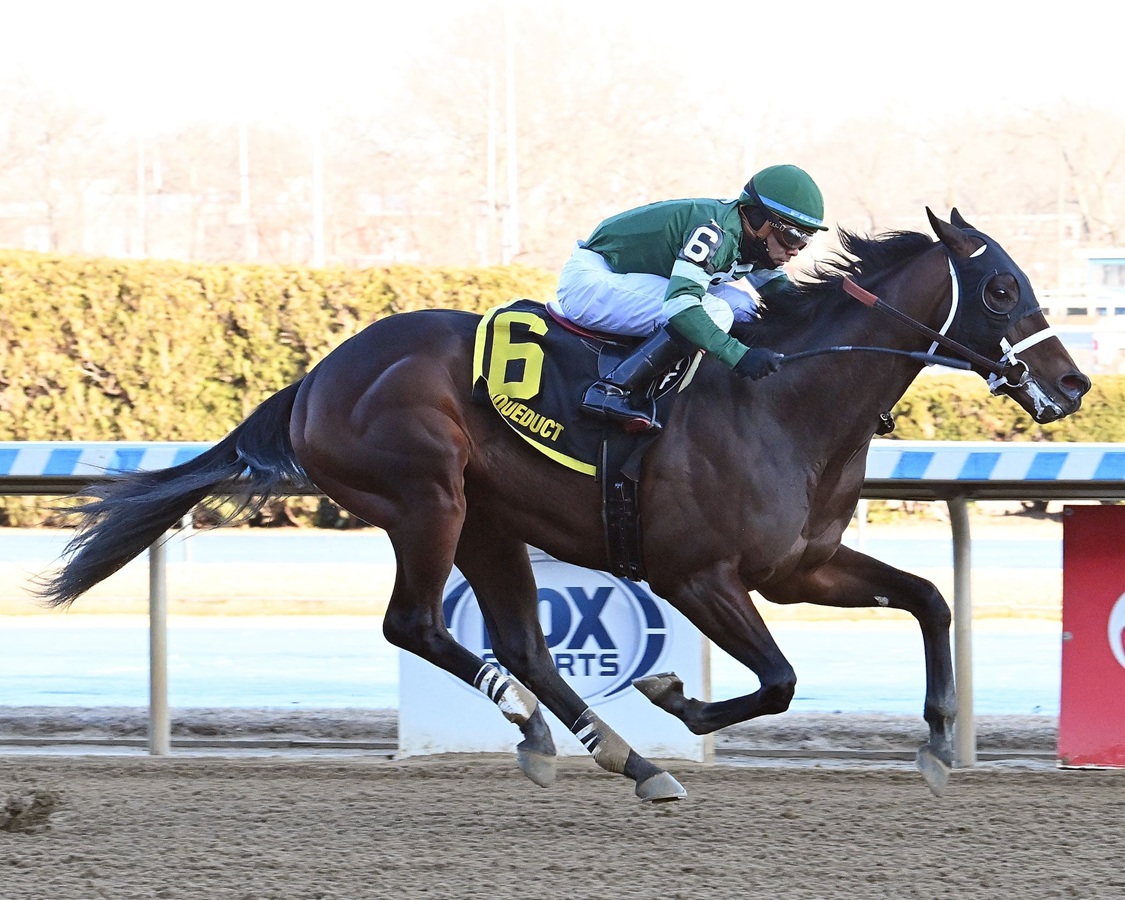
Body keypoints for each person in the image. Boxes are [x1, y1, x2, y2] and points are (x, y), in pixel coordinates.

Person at [555, 164, 827, 431]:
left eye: (805, 241)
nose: (796, 251)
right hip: (589, 282)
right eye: (792, 236)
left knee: (743, 306)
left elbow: (786, 301)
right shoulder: (714, 233)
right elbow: (681, 305)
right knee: (715, 311)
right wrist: (739, 355)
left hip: (629, 277)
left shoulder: (750, 237)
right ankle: (611, 390)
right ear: (758, 220)